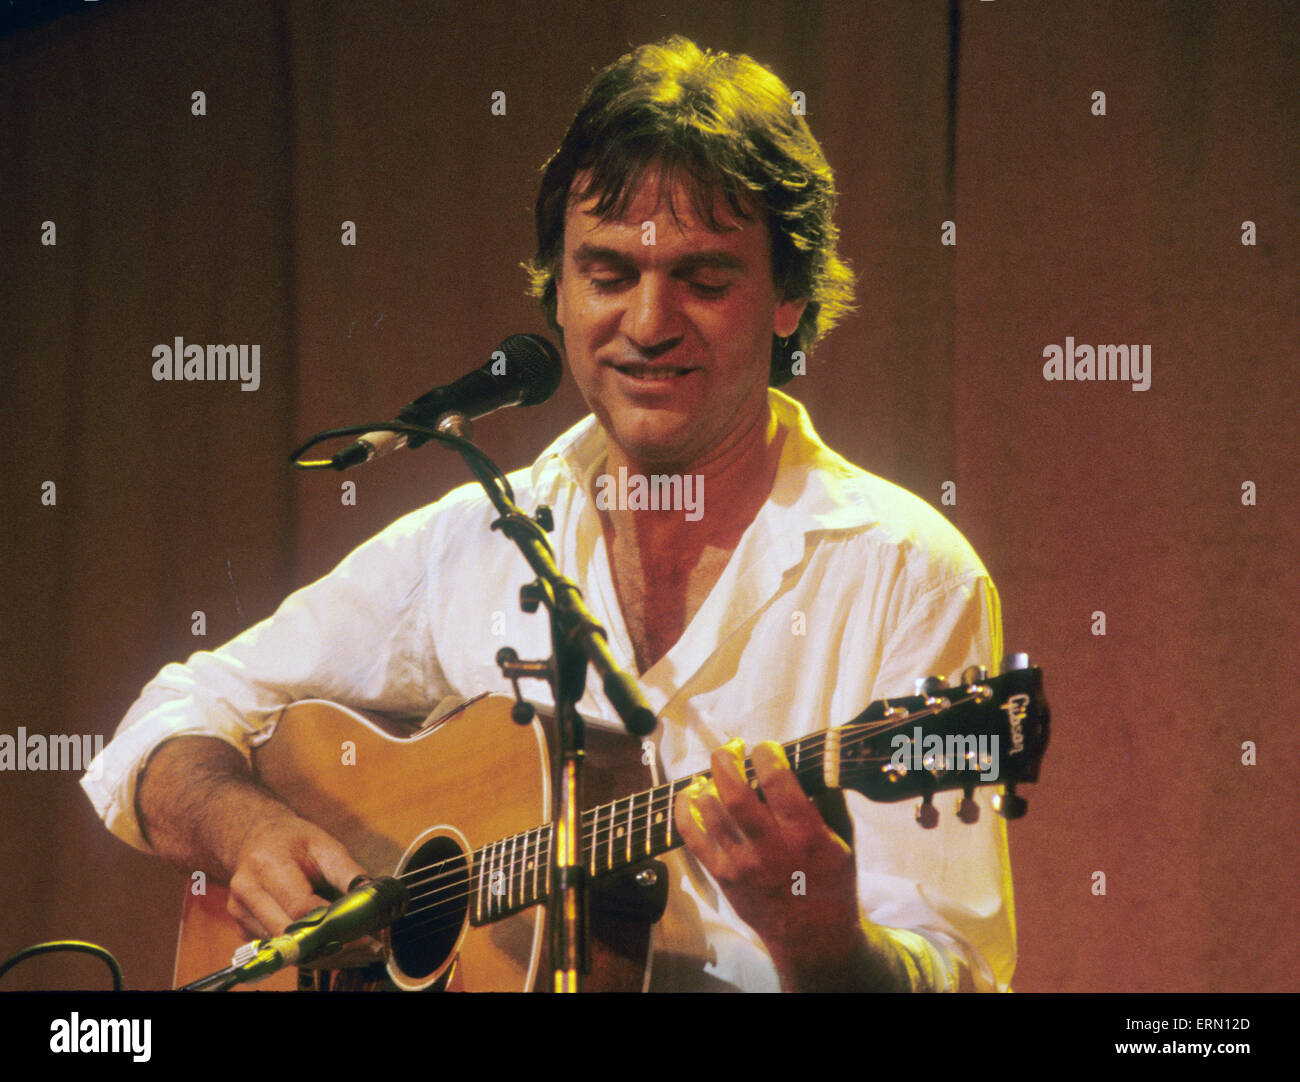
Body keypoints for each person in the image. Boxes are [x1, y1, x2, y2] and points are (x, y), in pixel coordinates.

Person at [83, 36, 1014, 992]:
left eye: (702, 278)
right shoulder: (480, 535)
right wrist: (252, 831)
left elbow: (959, 977)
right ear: (557, 294)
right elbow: (162, 724)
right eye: (609, 274)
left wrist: (821, 947)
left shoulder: (906, 573)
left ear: (787, 296)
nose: (649, 324)